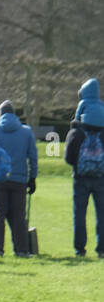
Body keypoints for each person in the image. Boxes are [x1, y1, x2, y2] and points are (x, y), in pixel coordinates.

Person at [0, 100, 38, 258]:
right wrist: (32, 177)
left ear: (0, 114)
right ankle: (21, 249)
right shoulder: (26, 132)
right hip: (20, 179)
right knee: (19, 215)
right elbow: (33, 157)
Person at [65, 78, 104, 257]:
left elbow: (68, 157)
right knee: (101, 214)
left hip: (80, 177)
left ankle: (80, 249)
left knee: (79, 214)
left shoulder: (76, 131)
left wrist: (78, 165)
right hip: (101, 177)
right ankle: (102, 249)